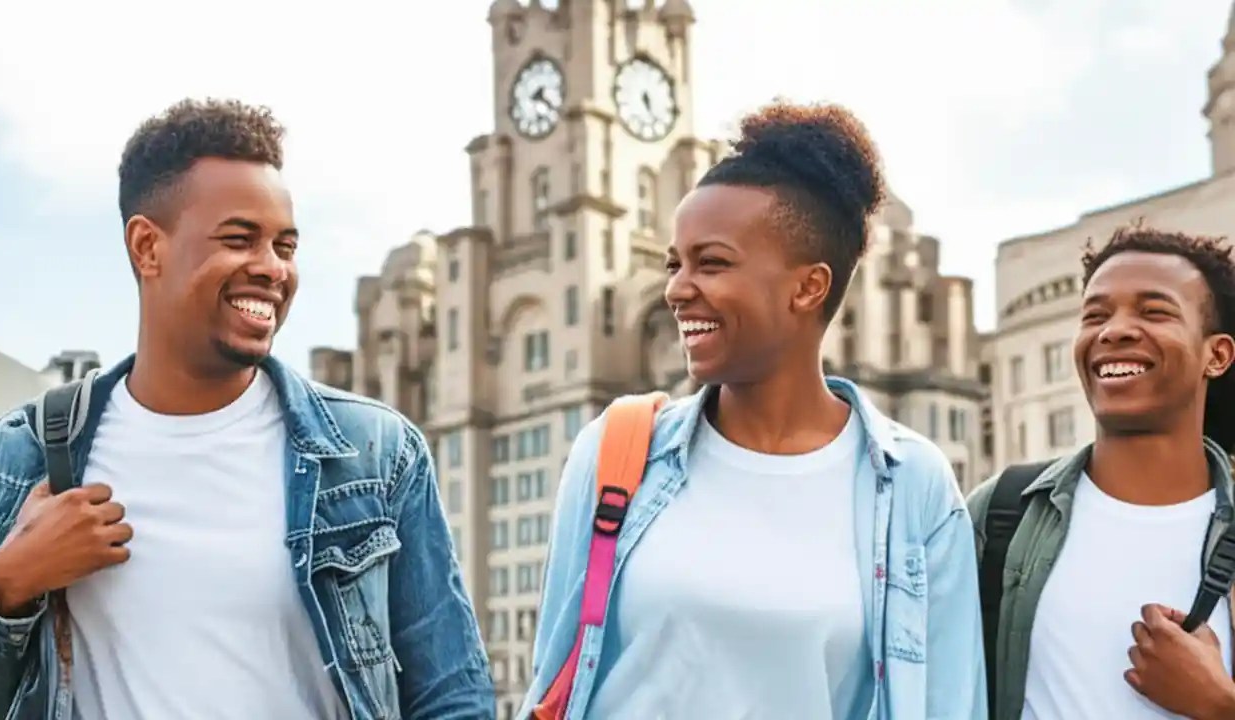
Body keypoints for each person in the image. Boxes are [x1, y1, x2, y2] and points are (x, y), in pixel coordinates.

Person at [0, 98, 494, 719]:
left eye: (285, 247)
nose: (272, 269)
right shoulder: (34, 448)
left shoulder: (374, 451)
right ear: (147, 247)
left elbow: (452, 697)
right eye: (240, 239)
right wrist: (8, 584)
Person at [519, 101, 987, 719]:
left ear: (808, 286)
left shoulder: (913, 486)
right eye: (675, 264)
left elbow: (949, 705)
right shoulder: (616, 452)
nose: (678, 289)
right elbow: (554, 677)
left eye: (711, 263)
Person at [967, 225, 1235, 720]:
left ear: (1215, 355)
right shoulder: (1000, 513)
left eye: (1154, 311)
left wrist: (1222, 705)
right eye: (1095, 315)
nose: (1113, 330)